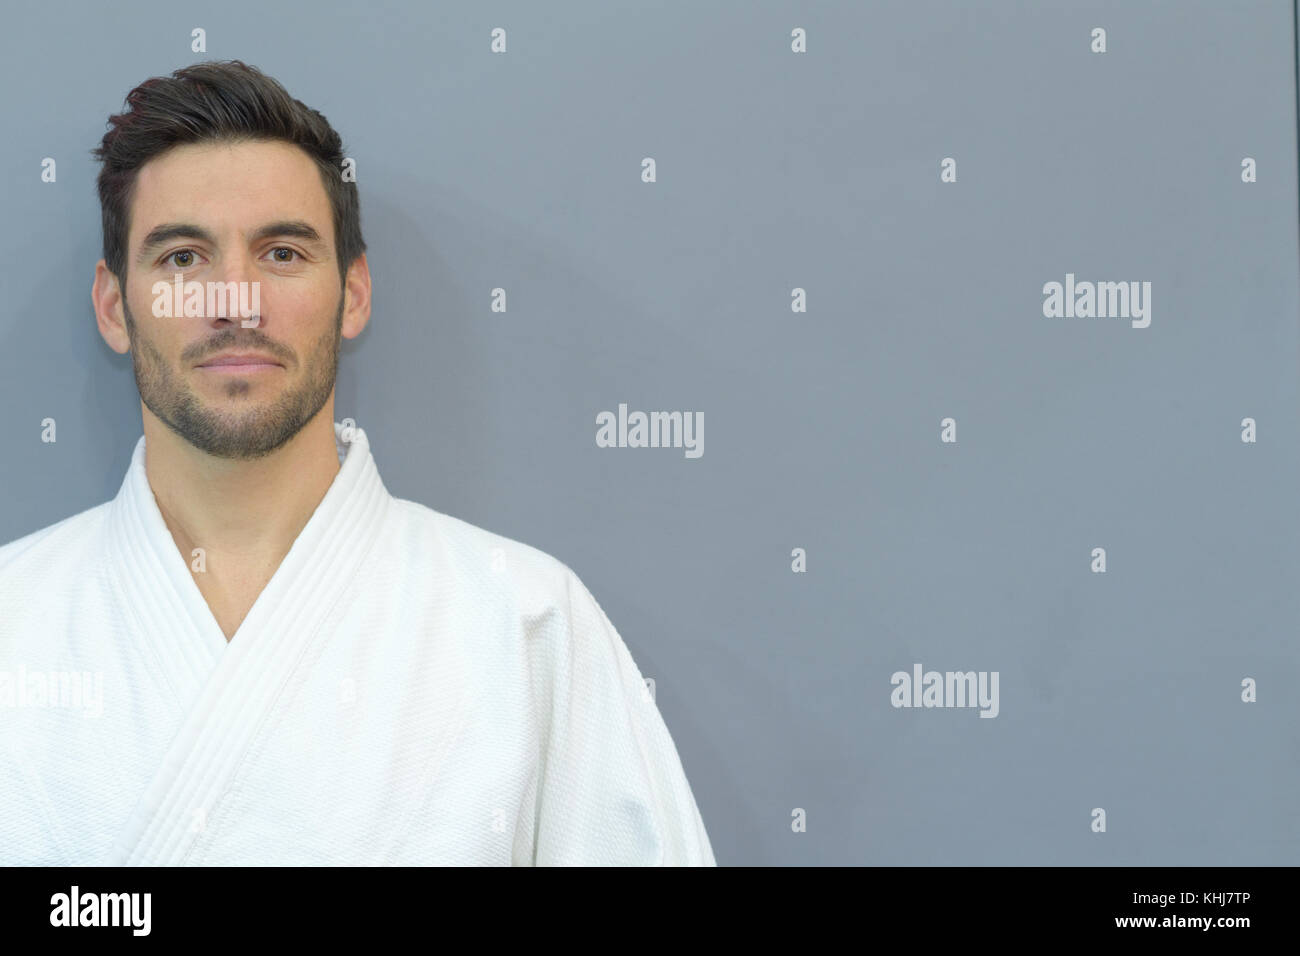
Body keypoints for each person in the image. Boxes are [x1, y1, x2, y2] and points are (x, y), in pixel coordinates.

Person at [0, 60, 714, 866]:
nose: (235, 302)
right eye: (182, 259)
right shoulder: (12, 625)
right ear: (113, 306)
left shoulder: (527, 628)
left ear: (355, 292)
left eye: (281, 253)